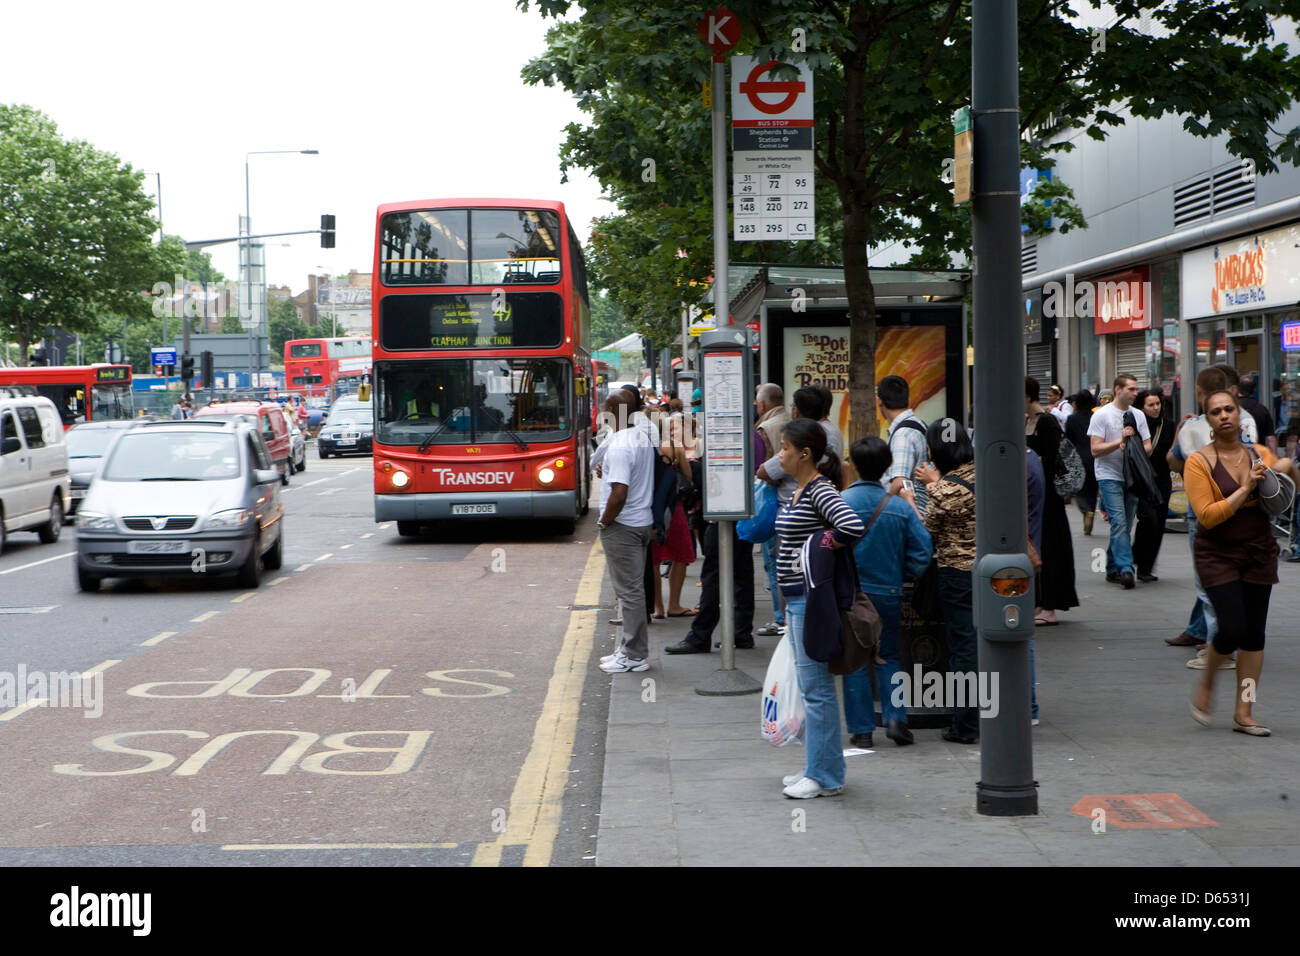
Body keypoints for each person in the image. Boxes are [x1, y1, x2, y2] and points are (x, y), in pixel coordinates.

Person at [1186, 390, 1296, 735]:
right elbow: (1207, 516)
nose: (1224, 416)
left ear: (1239, 414)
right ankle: (1207, 682)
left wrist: (1289, 471)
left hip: (1258, 549)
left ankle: (1244, 711)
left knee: (1254, 635)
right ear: (1208, 421)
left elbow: (1285, 497)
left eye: (1229, 409)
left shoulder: (1258, 453)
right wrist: (1246, 487)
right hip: (1217, 551)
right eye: (1216, 411)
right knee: (1232, 627)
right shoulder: (1199, 462)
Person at [775, 419, 864, 798]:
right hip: (796, 601)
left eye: (784, 448)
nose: (780, 454)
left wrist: (818, 545)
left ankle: (825, 777)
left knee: (817, 690)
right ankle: (818, 768)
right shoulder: (800, 490)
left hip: (808, 603)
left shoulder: (820, 490)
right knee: (813, 688)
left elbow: (851, 526)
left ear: (804, 453)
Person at [840, 437, 932, 748]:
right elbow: (922, 551)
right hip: (889, 592)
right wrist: (904, 575)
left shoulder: (840, 503)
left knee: (854, 659)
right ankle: (896, 719)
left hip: (851, 594)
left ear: (852, 465)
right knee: (887, 655)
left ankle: (862, 730)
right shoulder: (898, 508)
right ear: (886, 466)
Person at [914, 419, 978, 743]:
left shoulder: (945, 490)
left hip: (957, 575)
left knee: (963, 649)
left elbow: (928, 532)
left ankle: (965, 725)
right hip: (990, 574)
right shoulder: (982, 472)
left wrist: (917, 497)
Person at [595, 390, 657, 674]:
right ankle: (627, 649)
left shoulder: (619, 446)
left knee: (629, 593)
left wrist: (605, 522)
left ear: (612, 411)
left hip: (624, 526)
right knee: (632, 590)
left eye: (605, 407)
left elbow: (619, 493)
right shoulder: (639, 437)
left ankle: (634, 655)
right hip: (642, 521)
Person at [1087, 374, 1151, 589]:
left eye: (1136, 389)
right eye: (1131, 389)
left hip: (1132, 477)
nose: (1135, 393)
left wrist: (1135, 447)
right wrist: (1119, 442)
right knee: (1120, 523)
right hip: (1108, 475)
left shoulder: (1139, 415)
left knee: (1124, 525)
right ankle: (1125, 569)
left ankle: (1112, 566)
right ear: (1118, 390)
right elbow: (1095, 450)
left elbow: (1148, 446)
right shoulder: (1101, 416)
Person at [1025, 376, 1078, 624]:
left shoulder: (1046, 422)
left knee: (1048, 547)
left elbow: (1053, 461)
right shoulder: (1026, 421)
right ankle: (1037, 601)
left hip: (1047, 498)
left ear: (1026, 396)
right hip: (1031, 497)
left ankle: (1050, 606)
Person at [651, 410, 697, 619]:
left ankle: (657, 606)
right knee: (680, 554)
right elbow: (688, 476)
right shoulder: (675, 448)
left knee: (653, 558)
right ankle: (674, 605)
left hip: (650, 508)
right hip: (673, 506)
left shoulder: (646, 448)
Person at [754, 383, 792, 637]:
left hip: (776, 501)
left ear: (764, 404)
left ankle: (781, 618)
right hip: (796, 499)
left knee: (774, 564)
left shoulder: (765, 428)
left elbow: (763, 469)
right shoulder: (791, 421)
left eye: (758, 403)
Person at [1132, 389, 1175, 582]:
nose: (1156, 408)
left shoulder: (1169, 426)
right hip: (1142, 480)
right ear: (1142, 407)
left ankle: (1146, 568)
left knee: (1159, 523)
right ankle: (1137, 556)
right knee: (1148, 520)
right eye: (1151, 405)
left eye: (1158, 404)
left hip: (1162, 479)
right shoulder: (1135, 425)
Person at [877, 374, 930, 514]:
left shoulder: (903, 435)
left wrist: (878, 510)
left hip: (911, 514)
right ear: (907, 399)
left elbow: (900, 481)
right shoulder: (918, 424)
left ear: (879, 401)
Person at [1064, 389, 1098, 533]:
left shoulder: (1072, 419)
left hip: (1079, 457)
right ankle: (1090, 509)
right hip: (1095, 456)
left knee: (1080, 490)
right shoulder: (1095, 416)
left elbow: (1068, 440)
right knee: (1093, 489)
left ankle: (1085, 511)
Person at [1235, 372, 1276, 455]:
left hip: (1236, 455)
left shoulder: (1232, 409)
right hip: (1257, 455)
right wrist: (1274, 458)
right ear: (1254, 390)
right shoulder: (1262, 410)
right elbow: (1270, 439)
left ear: (1237, 389)